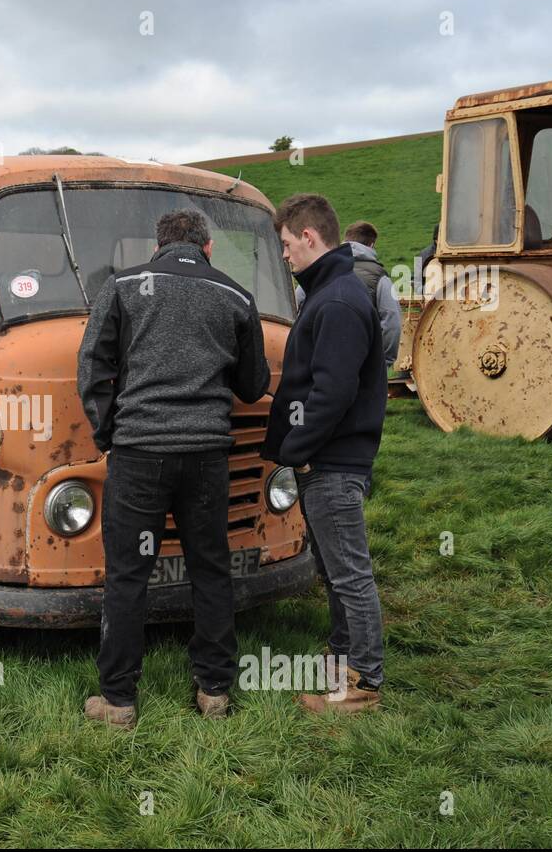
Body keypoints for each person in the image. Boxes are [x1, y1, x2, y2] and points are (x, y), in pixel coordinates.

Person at [77, 210, 270, 728]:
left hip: (139, 453)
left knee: (127, 575)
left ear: (157, 244)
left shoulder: (123, 287)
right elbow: (253, 385)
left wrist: (109, 437)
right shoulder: (236, 296)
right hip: (207, 457)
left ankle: (118, 700)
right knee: (211, 569)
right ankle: (214, 691)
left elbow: (92, 368)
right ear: (208, 248)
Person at [262, 194, 387, 714]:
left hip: (332, 462)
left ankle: (363, 683)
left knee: (350, 574)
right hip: (329, 458)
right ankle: (342, 659)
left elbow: (331, 392)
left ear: (309, 237)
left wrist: (300, 451)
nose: (285, 256)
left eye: (288, 245)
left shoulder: (335, 300)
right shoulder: (330, 292)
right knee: (337, 571)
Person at [293, 220, 401, 369]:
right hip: (362, 360)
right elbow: (392, 320)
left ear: (346, 240)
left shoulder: (320, 267)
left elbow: (295, 302)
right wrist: (384, 360)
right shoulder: (380, 277)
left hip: (318, 354)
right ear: (372, 245)